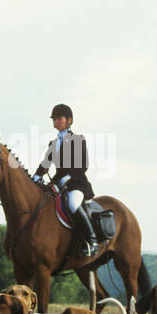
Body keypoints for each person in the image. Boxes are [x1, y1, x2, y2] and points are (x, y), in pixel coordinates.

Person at [33, 104, 99, 257]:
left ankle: (92, 239)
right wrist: (36, 177)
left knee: (72, 204)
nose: (56, 121)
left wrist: (69, 177)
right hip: (58, 183)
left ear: (69, 120)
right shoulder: (53, 143)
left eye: (59, 118)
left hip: (76, 183)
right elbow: (45, 164)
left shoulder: (78, 139)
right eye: (54, 119)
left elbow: (83, 164)